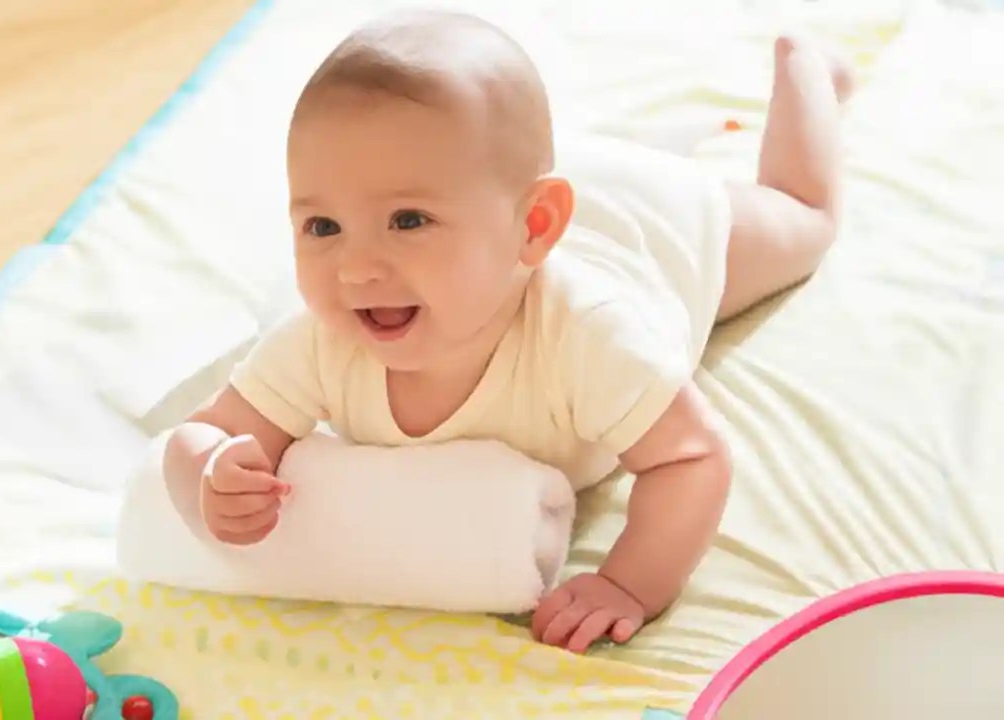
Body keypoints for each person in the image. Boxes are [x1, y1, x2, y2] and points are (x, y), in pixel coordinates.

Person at [161, 9, 854, 653]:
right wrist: (207, 477)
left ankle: (808, 69)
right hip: (516, 205)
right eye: (323, 227)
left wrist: (629, 583)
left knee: (805, 220)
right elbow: (205, 431)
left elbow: (692, 458)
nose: (357, 269)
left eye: (407, 221)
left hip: (646, 231)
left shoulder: (592, 337)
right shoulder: (320, 340)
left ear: (534, 227)